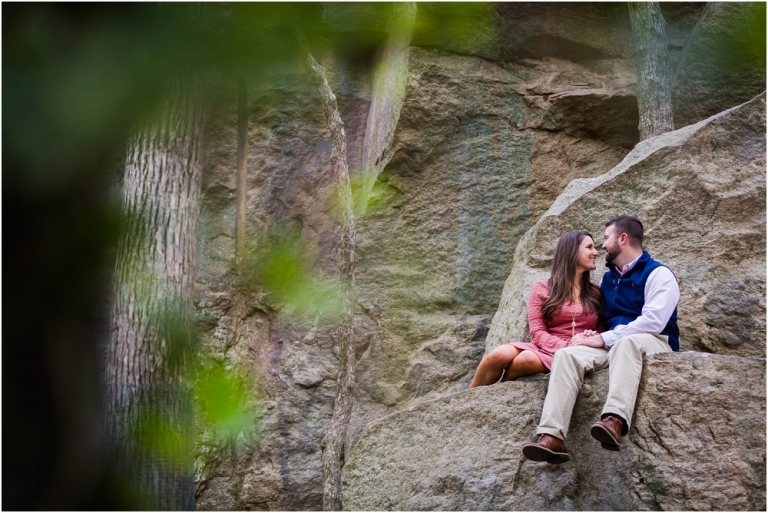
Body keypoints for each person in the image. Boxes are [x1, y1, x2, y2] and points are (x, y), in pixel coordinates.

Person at [522, 215, 679, 464]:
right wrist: (590, 337)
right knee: (566, 355)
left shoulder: (659, 274)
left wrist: (604, 338)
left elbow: (653, 322)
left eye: (606, 238)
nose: (602, 246)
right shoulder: (608, 279)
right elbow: (601, 321)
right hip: (613, 345)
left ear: (623, 239)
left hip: (655, 342)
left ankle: (614, 421)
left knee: (627, 343)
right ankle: (552, 437)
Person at [469, 231, 601, 388]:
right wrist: (563, 345)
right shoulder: (542, 287)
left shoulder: (596, 293)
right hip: (546, 346)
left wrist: (592, 337)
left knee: (525, 360)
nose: (596, 252)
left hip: (575, 353)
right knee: (498, 355)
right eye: (589, 247)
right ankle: (466, 399)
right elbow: (537, 332)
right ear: (572, 251)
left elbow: (602, 331)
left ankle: (501, 391)